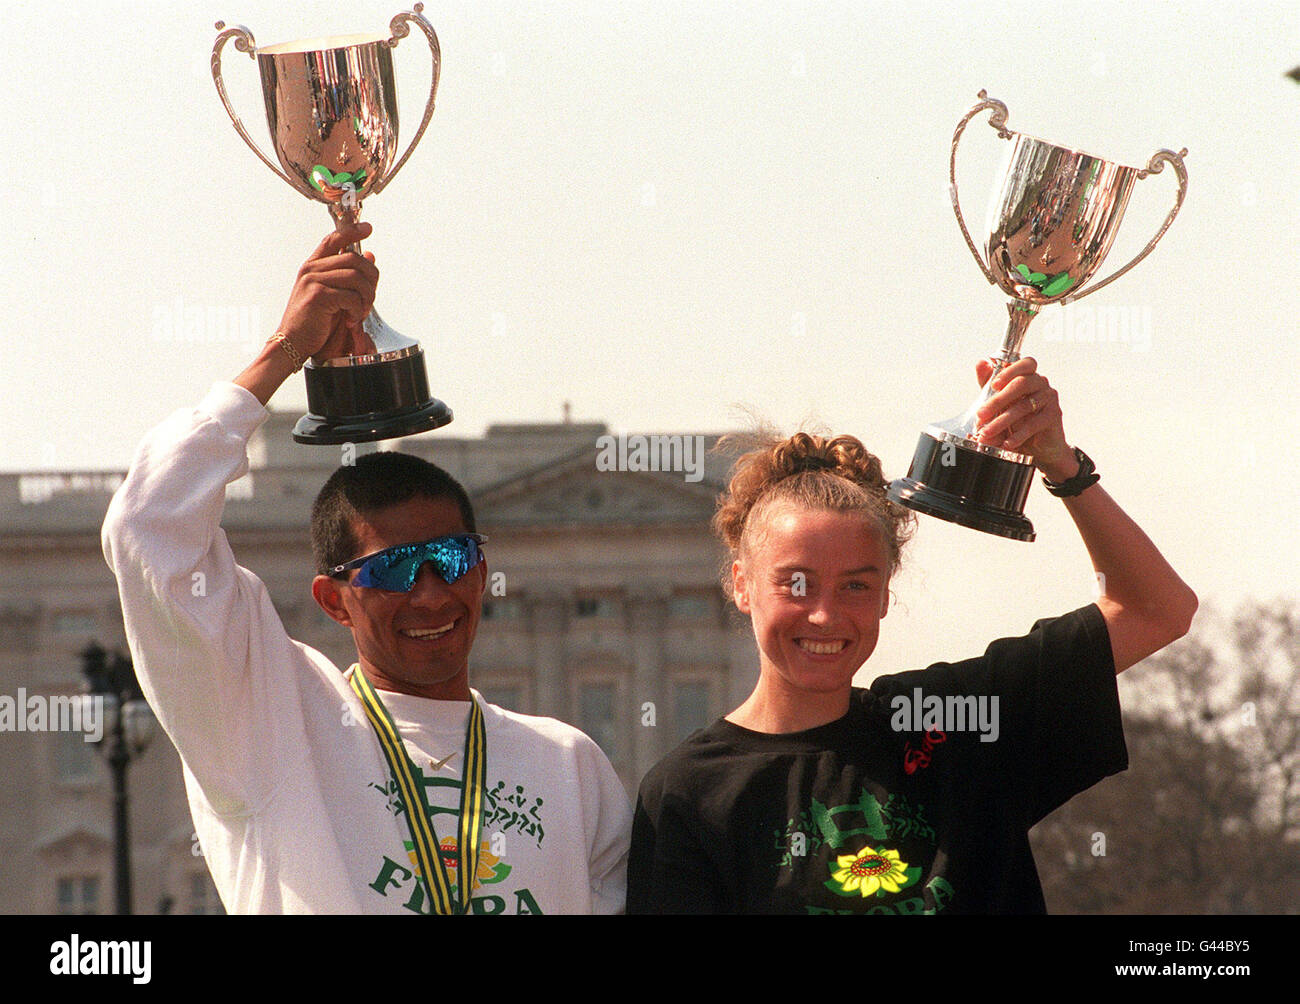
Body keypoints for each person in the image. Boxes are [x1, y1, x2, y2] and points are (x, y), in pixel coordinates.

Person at [102, 223, 631, 914]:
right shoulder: (269, 724)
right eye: (393, 571)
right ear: (333, 598)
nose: (430, 593)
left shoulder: (571, 767)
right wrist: (285, 351)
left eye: (451, 559)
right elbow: (148, 523)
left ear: (481, 570)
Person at [626, 358, 1197, 914]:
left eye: (855, 585)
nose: (825, 615)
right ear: (742, 585)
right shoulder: (686, 795)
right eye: (797, 585)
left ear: (884, 594)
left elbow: (1158, 609)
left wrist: (1062, 466)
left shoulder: (953, 721)